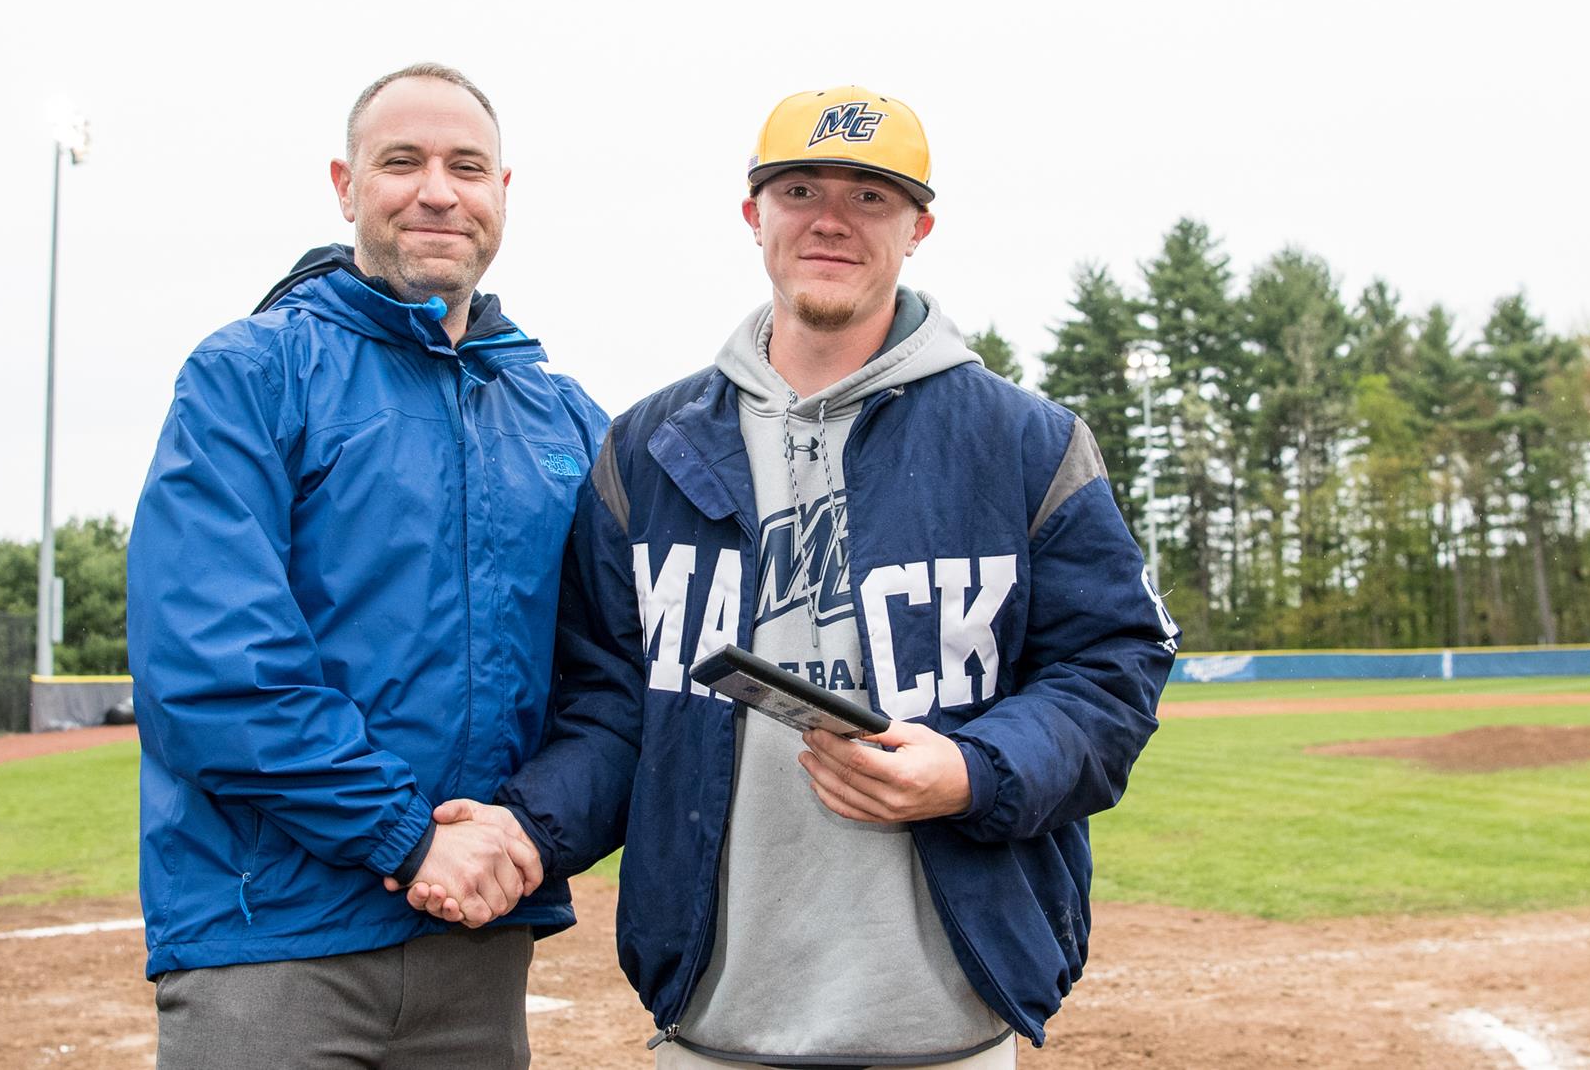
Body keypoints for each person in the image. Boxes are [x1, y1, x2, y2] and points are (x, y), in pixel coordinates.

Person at [415, 86, 1180, 1067]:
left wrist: (970, 770)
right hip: (714, 1024)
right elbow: (610, 709)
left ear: (919, 225)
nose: (829, 218)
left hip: (944, 1024)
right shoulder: (646, 452)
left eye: (869, 195)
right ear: (753, 215)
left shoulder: (1023, 444)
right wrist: (527, 827)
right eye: (799, 188)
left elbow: (1108, 671)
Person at [128, 62, 606, 1069]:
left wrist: (525, 833)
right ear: (345, 186)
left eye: (465, 165)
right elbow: (215, 667)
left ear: (501, 194)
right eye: (402, 161)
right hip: (270, 949)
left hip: (479, 944)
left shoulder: (563, 418)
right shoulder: (250, 373)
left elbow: (614, 678)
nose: (438, 189)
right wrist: (409, 836)